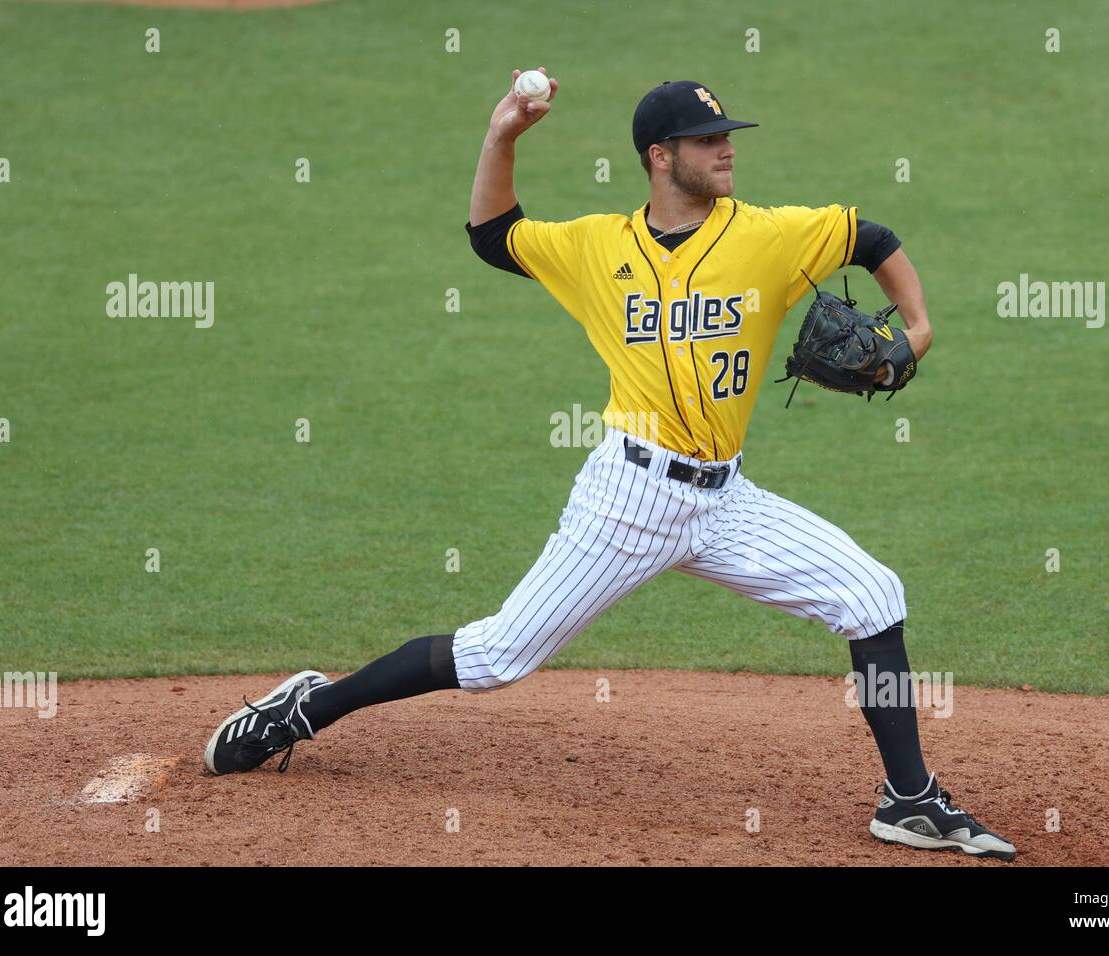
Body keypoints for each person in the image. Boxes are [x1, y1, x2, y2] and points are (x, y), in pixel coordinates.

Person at [203, 71, 1016, 862]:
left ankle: (909, 802)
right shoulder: (599, 248)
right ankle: (306, 708)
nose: (726, 151)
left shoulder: (767, 235)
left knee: (873, 595)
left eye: (728, 136)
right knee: (495, 657)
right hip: (627, 499)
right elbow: (494, 236)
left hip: (726, 500)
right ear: (661, 156)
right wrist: (502, 135)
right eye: (708, 141)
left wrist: (917, 328)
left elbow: (869, 237)